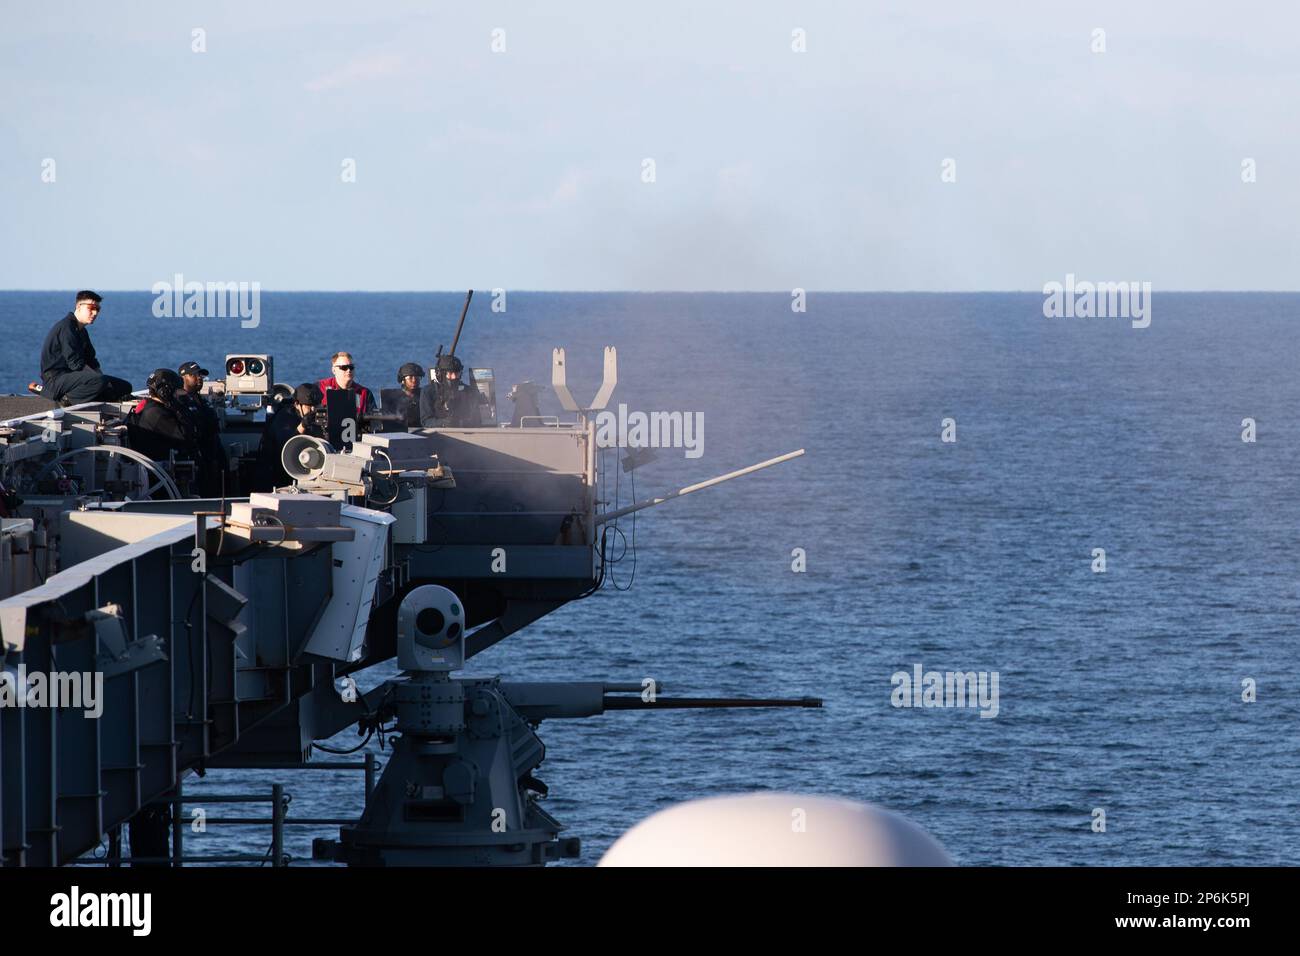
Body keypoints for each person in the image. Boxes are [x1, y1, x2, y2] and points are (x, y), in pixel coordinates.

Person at [32, 291, 133, 404]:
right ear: (78, 307)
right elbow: (75, 364)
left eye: (98, 309)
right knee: (99, 381)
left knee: (125, 387)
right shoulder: (66, 328)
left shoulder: (82, 331)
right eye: (91, 308)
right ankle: (65, 399)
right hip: (56, 379)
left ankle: (98, 395)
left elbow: (92, 361)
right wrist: (102, 383)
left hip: (75, 378)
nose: (95, 313)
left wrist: (107, 385)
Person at [254, 383, 324, 491]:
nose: (313, 410)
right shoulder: (284, 417)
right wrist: (303, 425)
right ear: (297, 404)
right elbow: (287, 447)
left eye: (317, 405)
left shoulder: (320, 417)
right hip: (277, 476)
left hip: (305, 470)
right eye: (308, 406)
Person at [175, 361, 230, 496]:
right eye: (194, 375)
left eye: (200, 375)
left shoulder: (200, 400)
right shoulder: (179, 400)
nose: (199, 378)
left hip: (211, 452)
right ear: (183, 377)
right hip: (197, 455)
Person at [125, 369, 199, 465]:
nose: (177, 396)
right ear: (165, 392)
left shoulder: (156, 407)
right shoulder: (155, 413)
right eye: (175, 392)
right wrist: (180, 408)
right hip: (160, 466)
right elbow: (185, 435)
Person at [420, 354, 486, 427]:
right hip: (438, 435)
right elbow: (426, 421)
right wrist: (442, 422)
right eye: (450, 373)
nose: (454, 377)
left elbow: (477, 420)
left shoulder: (468, 392)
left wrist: (460, 423)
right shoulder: (428, 391)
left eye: (457, 373)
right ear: (440, 374)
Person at [317, 352, 377, 418]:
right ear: (333, 370)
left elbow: (375, 420)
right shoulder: (320, 387)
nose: (348, 370)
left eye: (351, 367)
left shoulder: (364, 393)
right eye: (344, 367)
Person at [385, 361, 425, 428]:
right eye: (410, 378)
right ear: (403, 380)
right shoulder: (394, 399)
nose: (414, 380)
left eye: (417, 378)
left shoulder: (425, 396)